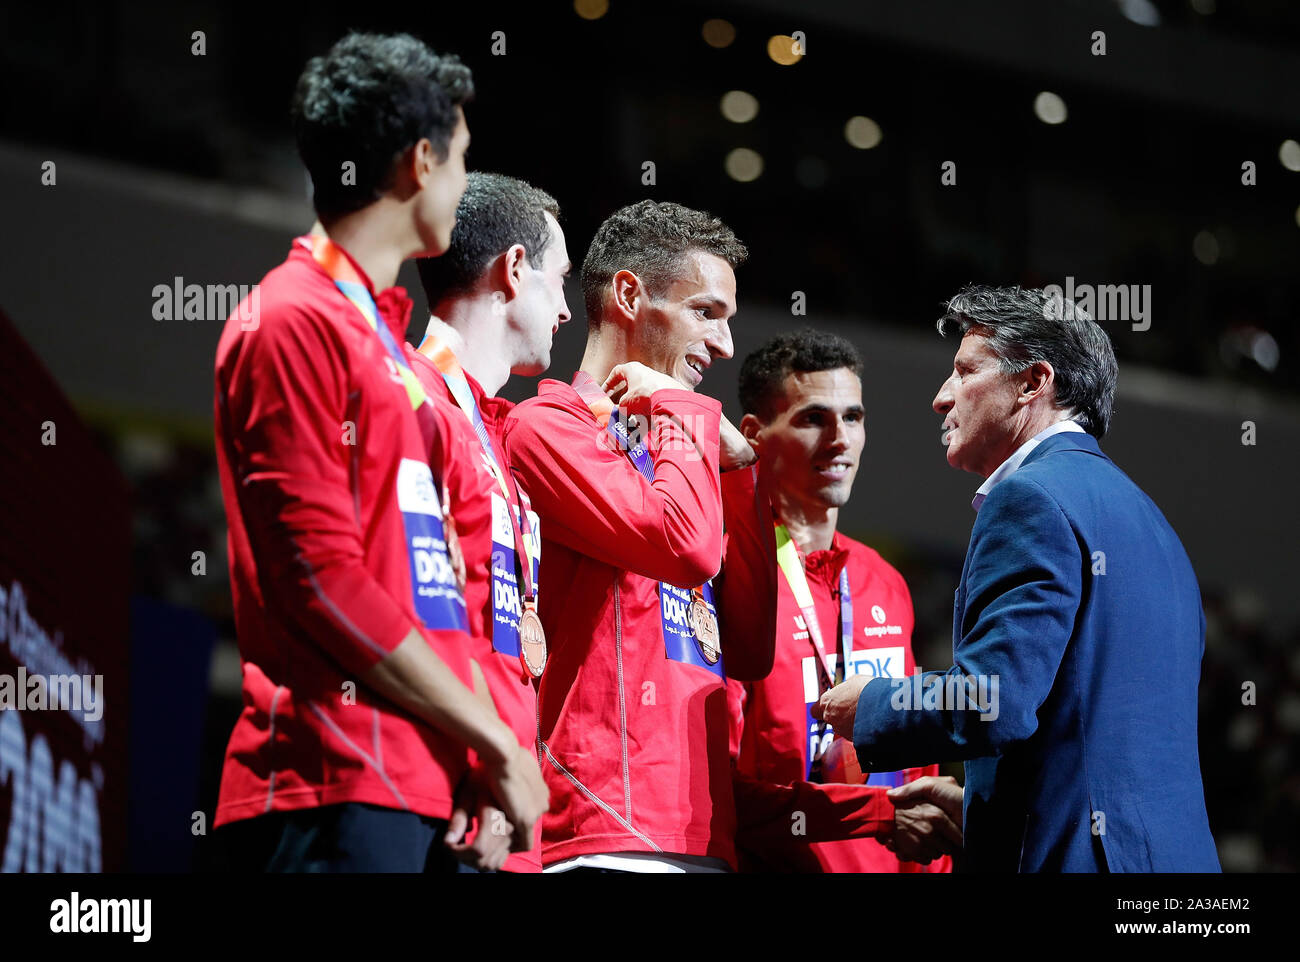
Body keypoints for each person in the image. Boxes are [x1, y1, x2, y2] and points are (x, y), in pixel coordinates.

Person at [211, 33, 546, 872]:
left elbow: (434, 595)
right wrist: (494, 741)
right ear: (421, 161)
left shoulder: (390, 350)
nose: (467, 185)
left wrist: (472, 754)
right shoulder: (289, 319)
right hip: (325, 782)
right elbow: (321, 578)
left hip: (416, 787)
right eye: (463, 160)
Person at [815, 285, 1220, 872]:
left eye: (964, 371)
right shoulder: (1155, 526)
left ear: (1033, 383)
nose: (940, 397)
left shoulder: (1028, 499)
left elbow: (995, 697)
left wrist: (877, 704)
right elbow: (1094, 729)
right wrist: (984, 817)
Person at [503, 200, 778, 872]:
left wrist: (741, 471)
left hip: (703, 830)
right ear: (629, 294)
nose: (725, 345)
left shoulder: (682, 454)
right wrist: (686, 412)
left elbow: (747, 645)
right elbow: (685, 549)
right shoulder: (547, 428)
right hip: (605, 829)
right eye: (705, 313)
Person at [727, 329, 957, 872]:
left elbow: (915, 767)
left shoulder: (884, 581)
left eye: (853, 418)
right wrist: (874, 814)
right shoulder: (727, 575)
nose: (840, 439)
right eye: (813, 419)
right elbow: (720, 791)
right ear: (755, 435)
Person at [405, 171, 573, 871]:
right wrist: (485, 758)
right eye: (560, 280)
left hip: (499, 805)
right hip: (438, 796)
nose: (566, 310)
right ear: (513, 270)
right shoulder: (412, 399)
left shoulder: (499, 437)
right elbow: (419, 611)